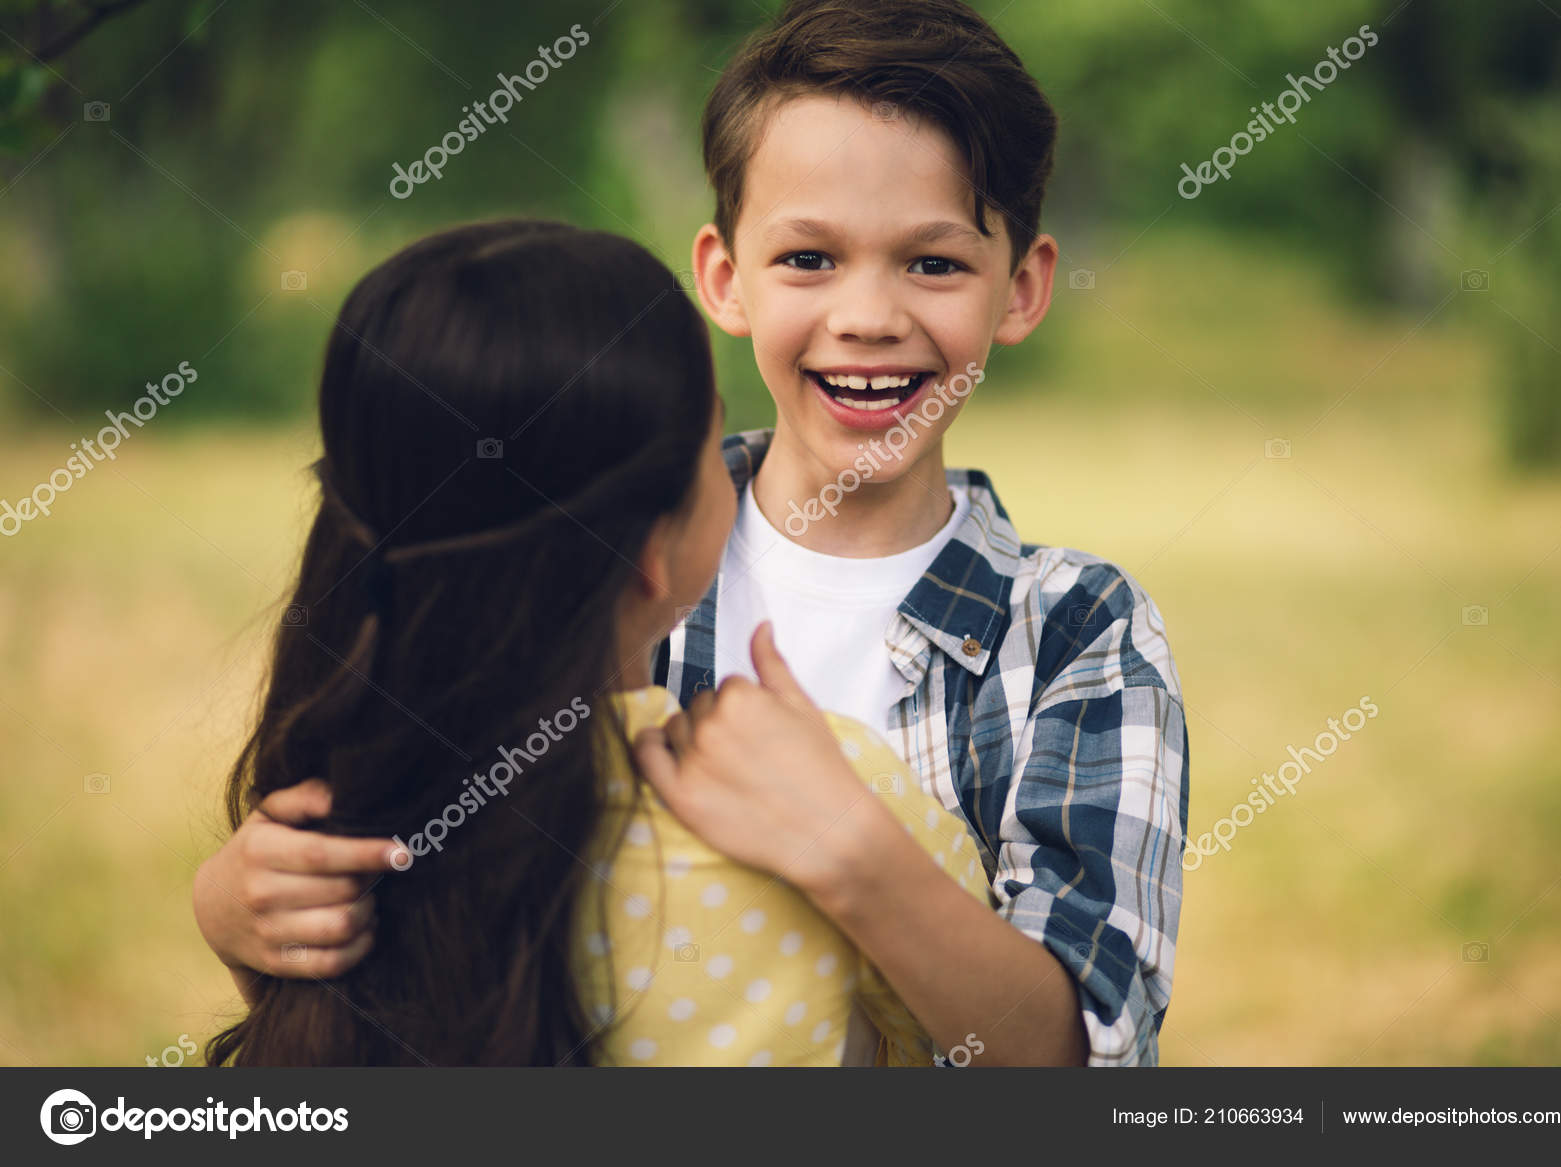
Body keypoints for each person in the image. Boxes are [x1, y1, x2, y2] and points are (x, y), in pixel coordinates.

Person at [197, 0, 1190, 1066]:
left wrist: (852, 853)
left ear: (1022, 288)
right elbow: (423, 892)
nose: (867, 316)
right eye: (808, 259)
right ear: (722, 277)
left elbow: (1086, 1056)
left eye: (933, 264)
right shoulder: (602, 542)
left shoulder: (1078, 631)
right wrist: (234, 906)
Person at [202, 218, 989, 1066]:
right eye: (708, 440)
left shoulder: (321, 845)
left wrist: (225, 919)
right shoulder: (851, 797)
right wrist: (864, 848)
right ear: (649, 553)